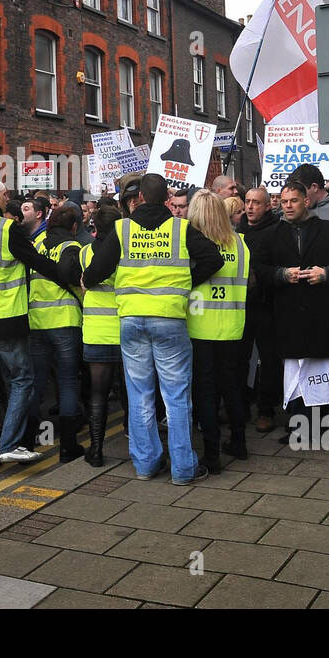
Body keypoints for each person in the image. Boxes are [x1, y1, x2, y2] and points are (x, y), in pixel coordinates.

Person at [83, 174, 223, 485]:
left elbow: (97, 270)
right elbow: (213, 259)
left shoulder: (122, 229)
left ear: (142, 198)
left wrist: (88, 280)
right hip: (170, 320)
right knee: (175, 396)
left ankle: (146, 464)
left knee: (140, 395)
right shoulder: (181, 228)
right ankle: (184, 469)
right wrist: (186, 284)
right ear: (167, 199)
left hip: (132, 321)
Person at [0, 178, 71, 473]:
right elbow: (36, 261)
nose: (8, 198)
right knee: (22, 380)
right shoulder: (7, 229)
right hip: (6, 319)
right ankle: (8, 445)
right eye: (5, 194)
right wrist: (67, 278)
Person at [262, 181, 329, 449]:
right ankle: (300, 429)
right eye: (284, 201)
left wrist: (328, 274)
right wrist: (280, 274)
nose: (287, 206)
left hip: (325, 313)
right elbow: (260, 269)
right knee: (296, 376)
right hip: (290, 315)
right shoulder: (272, 234)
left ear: (306, 202)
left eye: (293, 201)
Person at [185, 191, 250, 473]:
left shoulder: (192, 244)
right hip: (233, 325)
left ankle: (211, 455)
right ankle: (239, 442)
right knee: (232, 387)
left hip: (200, 326)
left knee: (206, 393)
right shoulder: (241, 244)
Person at [28, 202, 86, 463]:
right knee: (67, 381)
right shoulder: (72, 247)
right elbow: (74, 280)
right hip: (64, 321)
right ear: (74, 226)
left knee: (37, 383)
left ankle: (31, 439)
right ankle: (68, 446)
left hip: (36, 321)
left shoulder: (36, 245)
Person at [80, 202, 125, 467]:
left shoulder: (85, 252)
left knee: (98, 394)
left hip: (96, 330)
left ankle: (96, 450)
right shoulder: (125, 252)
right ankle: (137, 443)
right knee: (132, 393)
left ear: (96, 226)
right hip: (123, 328)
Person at [237, 187, 282, 432]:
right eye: (248, 201)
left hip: (266, 303)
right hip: (241, 305)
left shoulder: (276, 231)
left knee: (269, 359)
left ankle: (266, 409)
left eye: (256, 202)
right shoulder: (237, 231)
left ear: (267, 206)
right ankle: (241, 405)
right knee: (240, 358)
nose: (251, 207)